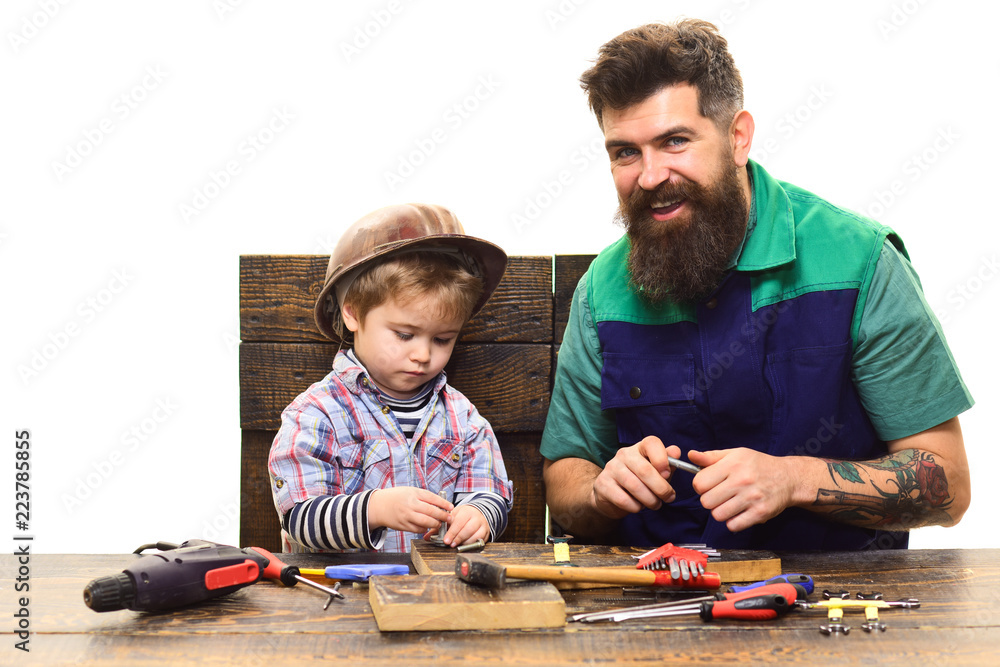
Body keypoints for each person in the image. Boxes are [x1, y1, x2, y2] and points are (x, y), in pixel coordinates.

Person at [540, 19, 972, 550]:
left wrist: (794, 480)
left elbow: (948, 485)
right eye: (625, 152)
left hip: (836, 603)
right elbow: (565, 480)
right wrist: (600, 492)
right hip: (653, 599)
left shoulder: (861, 262)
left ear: (737, 136)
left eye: (674, 141)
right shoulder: (601, 289)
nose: (650, 176)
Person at [268, 203, 514, 553]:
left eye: (442, 339)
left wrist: (478, 514)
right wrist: (375, 509)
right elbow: (300, 519)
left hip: (436, 591)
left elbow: (490, 489)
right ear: (353, 312)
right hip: (345, 591)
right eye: (404, 334)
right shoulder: (316, 413)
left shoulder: (462, 417)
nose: (423, 355)